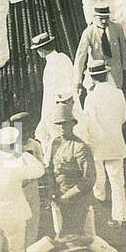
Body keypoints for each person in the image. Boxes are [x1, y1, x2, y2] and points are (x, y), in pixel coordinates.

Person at [80, 60, 126, 228]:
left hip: (97, 144)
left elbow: (87, 123)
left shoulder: (90, 98)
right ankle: (120, 216)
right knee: (117, 181)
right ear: (107, 74)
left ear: (92, 78)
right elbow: (123, 118)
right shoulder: (118, 93)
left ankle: (100, 197)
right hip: (115, 142)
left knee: (99, 175)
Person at [43, 95, 96, 236]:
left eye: (65, 123)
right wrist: (51, 193)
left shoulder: (80, 147)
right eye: (59, 124)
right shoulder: (55, 143)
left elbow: (89, 179)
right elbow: (49, 169)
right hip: (59, 199)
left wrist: (67, 197)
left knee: (76, 236)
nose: (62, 127)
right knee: (60, 233)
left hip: (77, 202)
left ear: (73, 124)